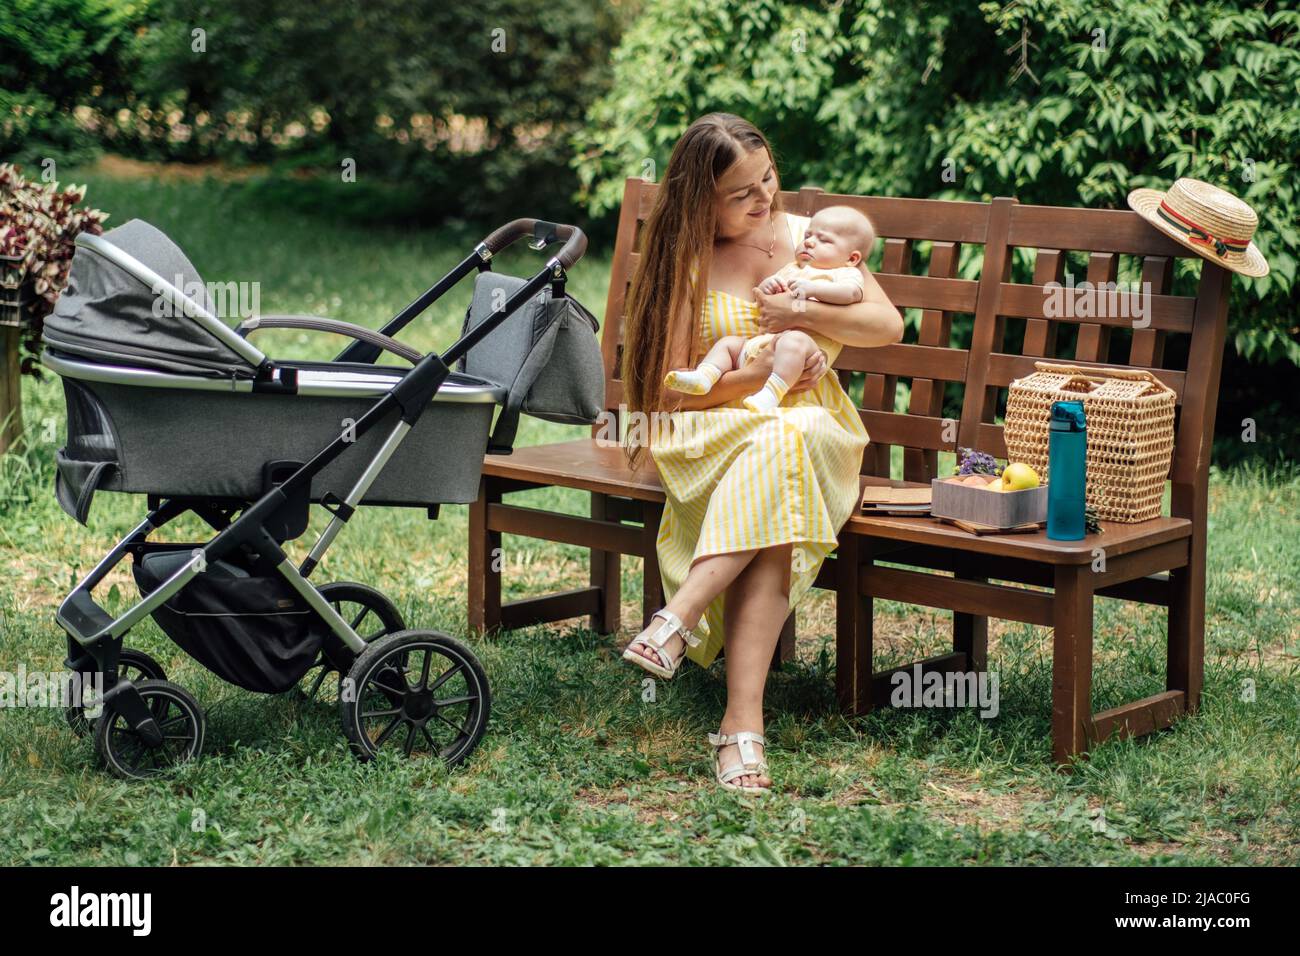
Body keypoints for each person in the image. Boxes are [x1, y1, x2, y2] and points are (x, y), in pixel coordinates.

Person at [618, 113, 903, 793]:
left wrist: (802, 318)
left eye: (767, 178)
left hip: (809, 428)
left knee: (785, 445)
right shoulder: (686, 259)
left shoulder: (815, 241)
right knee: (783, 457)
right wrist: (763, 378)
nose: (764, 199)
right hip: (708, 433)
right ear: (699, 201)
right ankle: (741, 726)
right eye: (741, 192)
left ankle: (678, 618)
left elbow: (885, 325)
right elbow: (669, 393)